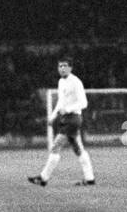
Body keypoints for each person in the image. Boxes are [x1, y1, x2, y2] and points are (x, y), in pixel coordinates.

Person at [28, 58, 96, 187]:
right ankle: (90, 179)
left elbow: (84, 103)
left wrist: (69, 109)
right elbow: (61, 101)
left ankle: (43, 178)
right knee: (78, 149)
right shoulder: (61, 82)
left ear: (71, 68)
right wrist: (53, 116)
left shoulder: (76, 82)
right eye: (60, 66)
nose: (62, 68)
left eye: (65, 66)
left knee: (56, 146)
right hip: (66, 119)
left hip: (74, 118)